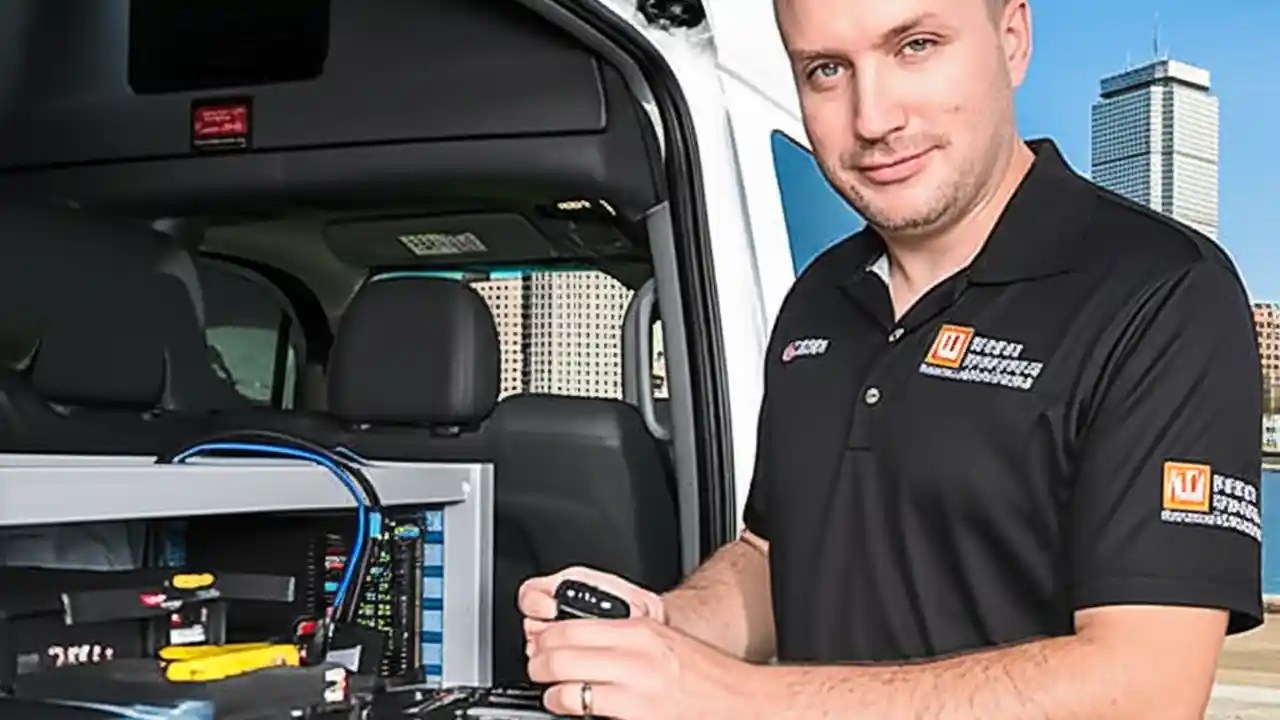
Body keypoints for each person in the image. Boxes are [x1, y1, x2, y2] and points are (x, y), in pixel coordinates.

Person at [519, 0, 1265, 716]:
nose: (873, 119)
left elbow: (1144, 690)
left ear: (1012, 39)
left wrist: (726, 698)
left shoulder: (1164, 291)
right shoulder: (820, 296)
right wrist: (663, 628)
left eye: (915, 47)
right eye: (825, 70)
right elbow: (776, 556)